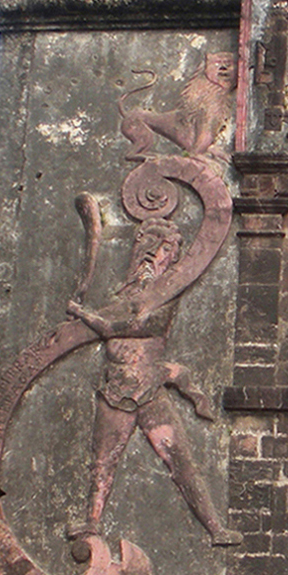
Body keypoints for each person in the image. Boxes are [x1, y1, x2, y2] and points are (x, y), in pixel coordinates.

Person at [66, 216, 242, 547]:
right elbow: (117, 326)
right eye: (159, 248)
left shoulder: (164, 297)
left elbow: (131, 327)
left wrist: (86, 315)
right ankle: (92, 521)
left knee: (180, 461)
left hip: (149, 387)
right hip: (116, 386)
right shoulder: (124, 294)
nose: (162, 256)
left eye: (169, 250)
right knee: (103, 462)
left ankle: (215, 527)